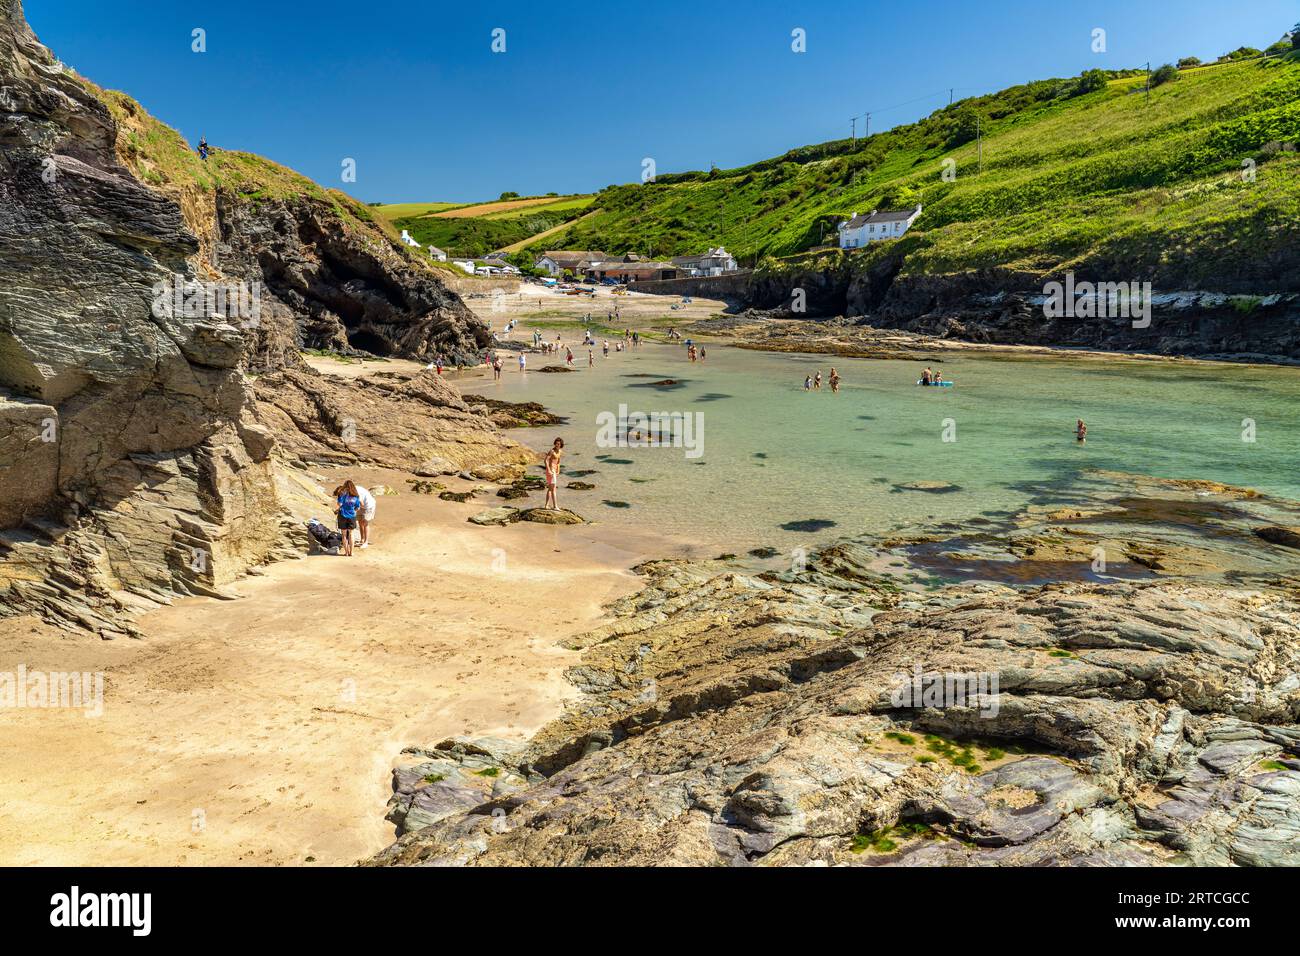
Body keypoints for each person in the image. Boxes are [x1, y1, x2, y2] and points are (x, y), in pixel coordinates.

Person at [335, 480, 361, 557]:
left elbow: (339, 504)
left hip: (342, 515)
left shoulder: (342, 494)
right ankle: (351, 552)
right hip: (352, 515)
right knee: (351, 534)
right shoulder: (355, 495)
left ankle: (346, 552)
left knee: (344, 535)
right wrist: (353, 510)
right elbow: (358, 507)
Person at [544, 438, 564, 509]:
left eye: (559, 444)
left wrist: (558, 470)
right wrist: (549, 470)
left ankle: (546, 505)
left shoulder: (560, 451)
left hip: (555, 471)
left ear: (561, 445)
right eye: (556, 443)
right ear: (554, 444)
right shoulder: (552, 451)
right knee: (553, 488)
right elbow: (546, 460)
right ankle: (555, 506)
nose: (557, 445)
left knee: (550, 488)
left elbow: (558, 462)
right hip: (551, 471)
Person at [356, 483, 376, 549]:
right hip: (362, 506)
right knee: (360, 522)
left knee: (365, 523)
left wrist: (354, 509)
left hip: (369, 506)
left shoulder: (357, 492)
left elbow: (361, 503)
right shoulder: (351, 490)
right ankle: (362, 540)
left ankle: (366, 542)